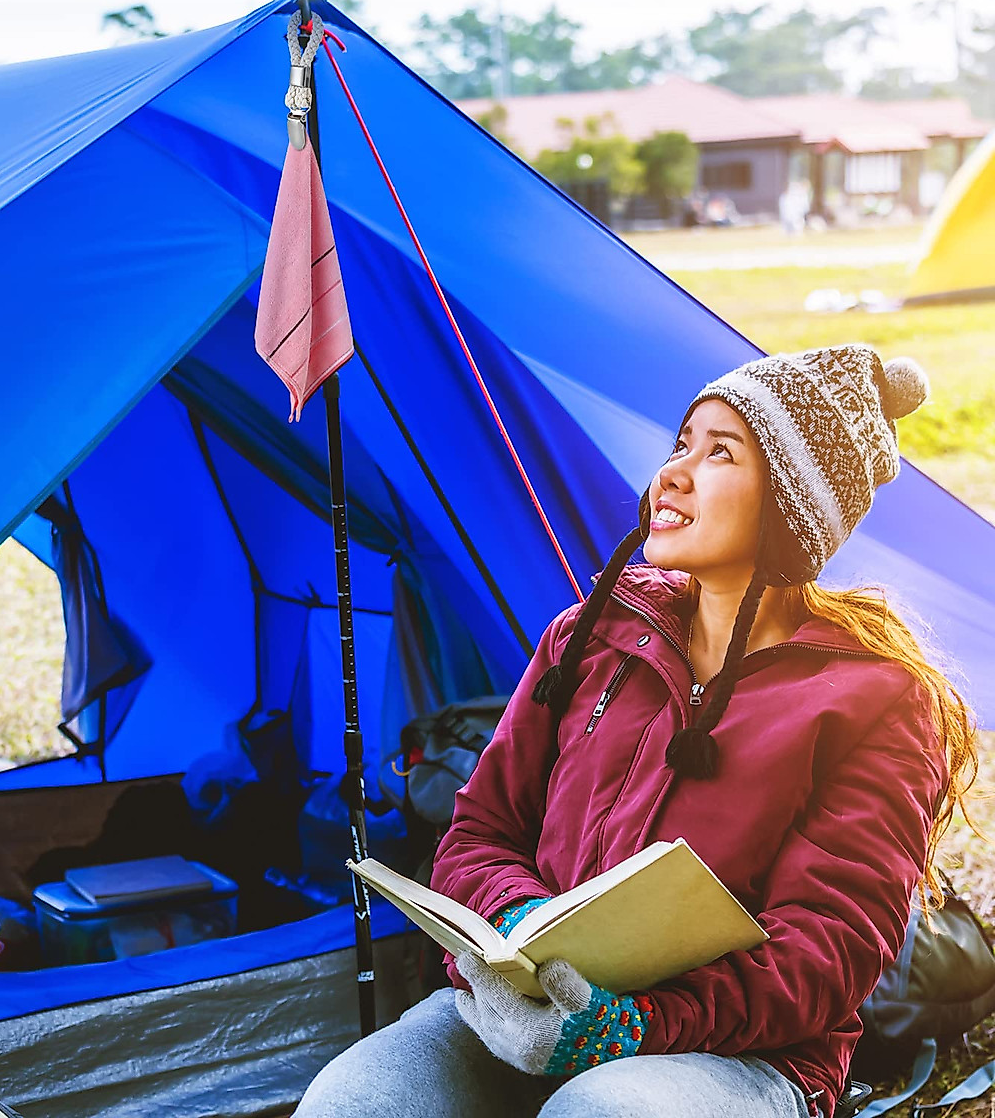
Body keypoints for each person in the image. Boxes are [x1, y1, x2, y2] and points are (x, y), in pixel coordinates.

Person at [294, 345, 979, 1118]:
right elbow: (478, 830)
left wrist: (638, 1025)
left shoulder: (878, 700)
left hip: (736, 1054)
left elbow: (829, 948)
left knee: (606, 1112)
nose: (673, 475)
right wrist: (519, 922)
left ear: (793, 503)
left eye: (721, 452)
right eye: (681, 443)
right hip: (523, 1012)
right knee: (354, 1100)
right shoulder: (588, 635)